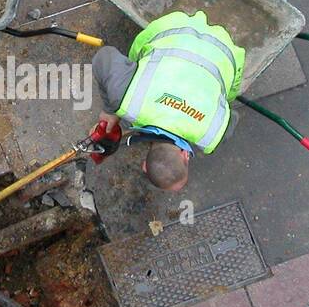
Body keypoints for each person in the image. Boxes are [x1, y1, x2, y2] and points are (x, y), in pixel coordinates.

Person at [90, 10, 245, 192]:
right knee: (127, 96)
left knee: (229, 94)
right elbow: (103, 56)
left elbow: (232, 117)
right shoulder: (127, 100)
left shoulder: (212, 136)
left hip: (225, 49)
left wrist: (111, 110)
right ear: (144, 166)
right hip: (174, 27)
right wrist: (112, 109)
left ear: (185, 155)